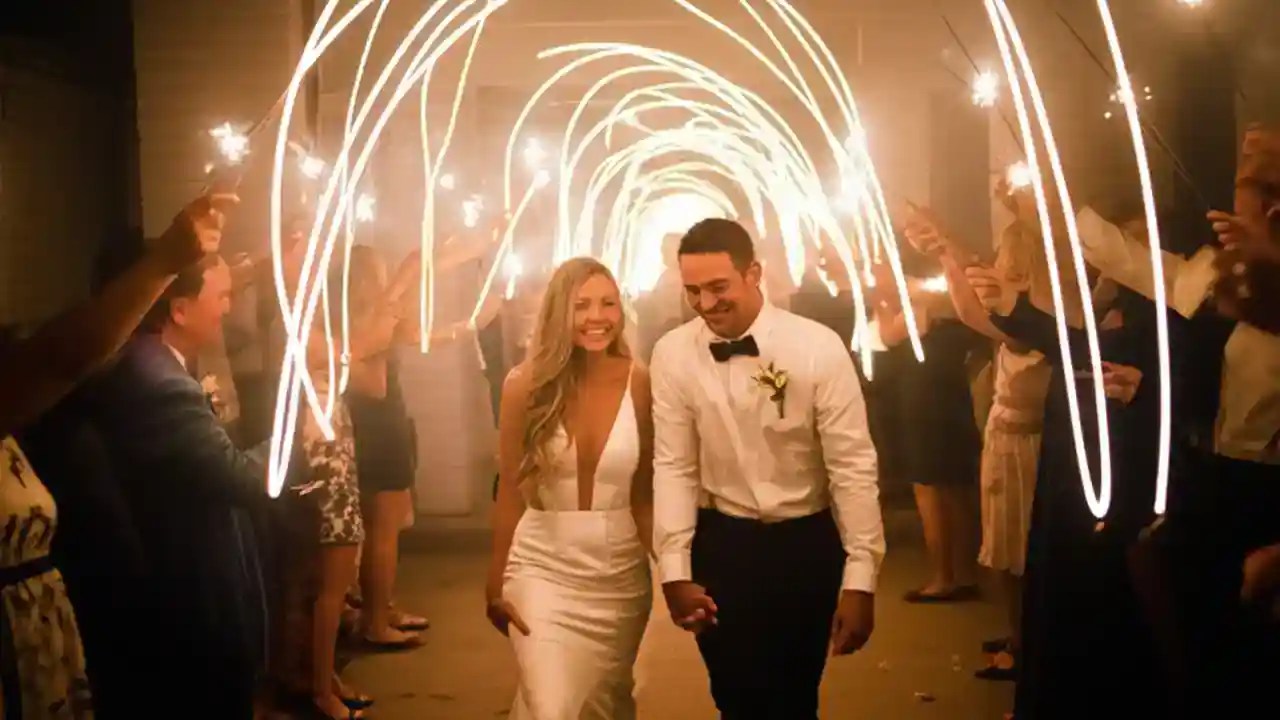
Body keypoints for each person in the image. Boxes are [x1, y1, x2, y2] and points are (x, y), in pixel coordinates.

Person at [0, 194, 231, 719]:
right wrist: (166, 262)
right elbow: (63, 358)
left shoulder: (105, 383)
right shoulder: (99, 386)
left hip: (52, 634)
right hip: (55, 634)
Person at [651, 218, 885, 719]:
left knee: (794, 699)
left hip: (805, 543)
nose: (705, 303)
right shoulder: (672, 354)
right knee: (734, 696)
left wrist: (861, 578)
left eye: (718, 287)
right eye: (693, 291)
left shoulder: (817, 347)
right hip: (722, 544)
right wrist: (673, 570)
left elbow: (852, 466)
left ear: (753, 274)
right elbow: (674, 466)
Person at [91, 249, 271, 719]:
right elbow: (238, 477)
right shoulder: (161, 384)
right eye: (221, 296)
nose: (229, 307)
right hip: (190, 593)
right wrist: (295, 442)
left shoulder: (158, 364)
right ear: (180, 309)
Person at [485, 257, 654, 720]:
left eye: (608, 304)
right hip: (542, 566)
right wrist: (495, 578)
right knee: (550, 706)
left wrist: (677, 573)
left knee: (605, 705)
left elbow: (644, 495)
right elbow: (509, 490)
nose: (597, 317)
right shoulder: (523, 385)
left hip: (620, 576)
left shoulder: (640, 381)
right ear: (559, 312)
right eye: (582, 305)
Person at [905, 198, 1052, 680]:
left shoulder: (1037, 321)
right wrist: (946, 248)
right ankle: (1020, 635)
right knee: (1006, 554)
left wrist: (948, 248)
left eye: (1005, 262)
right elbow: (973, 308)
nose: (995, 268)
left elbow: (976, 312)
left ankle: (1028, 646)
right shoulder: (1025, 313)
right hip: (1007, 438)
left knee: (1018, 556)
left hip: (1027, 447)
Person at [344, 245, 475, 647]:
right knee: (382, 528)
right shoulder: (363, 323)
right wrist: (404, 281)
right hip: (377, 428)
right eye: (379, 274)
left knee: (391, 522)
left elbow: (417, 336)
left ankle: (383, 606)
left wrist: (463, 327)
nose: (387, 280)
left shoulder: (379, 318)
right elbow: (375, 385)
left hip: (388, 424)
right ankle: (375, 621)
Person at [868, 254, 983, 604]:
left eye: (877, 270)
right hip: (947, 395)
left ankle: (943, 577)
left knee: (930, 488)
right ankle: (964, 572)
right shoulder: (943, 295)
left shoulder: (920, 298)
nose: (872, 276)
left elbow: (891, 336)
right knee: (955, 488)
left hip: (927, 400)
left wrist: (879, 303)